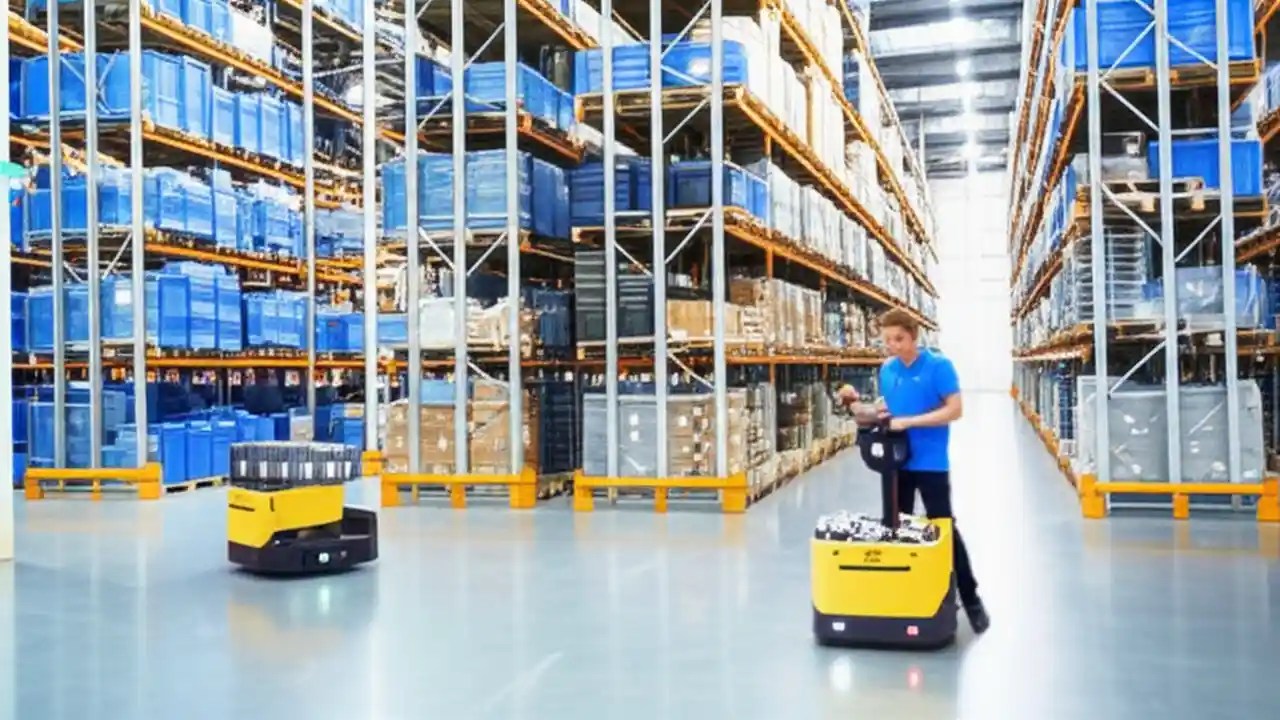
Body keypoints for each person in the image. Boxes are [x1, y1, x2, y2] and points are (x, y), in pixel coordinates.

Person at [838, 308, 990, 634]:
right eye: (888, 340)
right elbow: (888, 408)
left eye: (900, 339)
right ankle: (903, 599)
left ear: (914, 336)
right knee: (896, 526)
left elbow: (955, 409)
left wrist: (909, 422)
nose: (894, 346)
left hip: (931, 462)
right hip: (897, 461)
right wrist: (857, 406)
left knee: (943, 528)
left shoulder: (938, 367)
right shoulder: (887, 371)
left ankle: (972, 600)